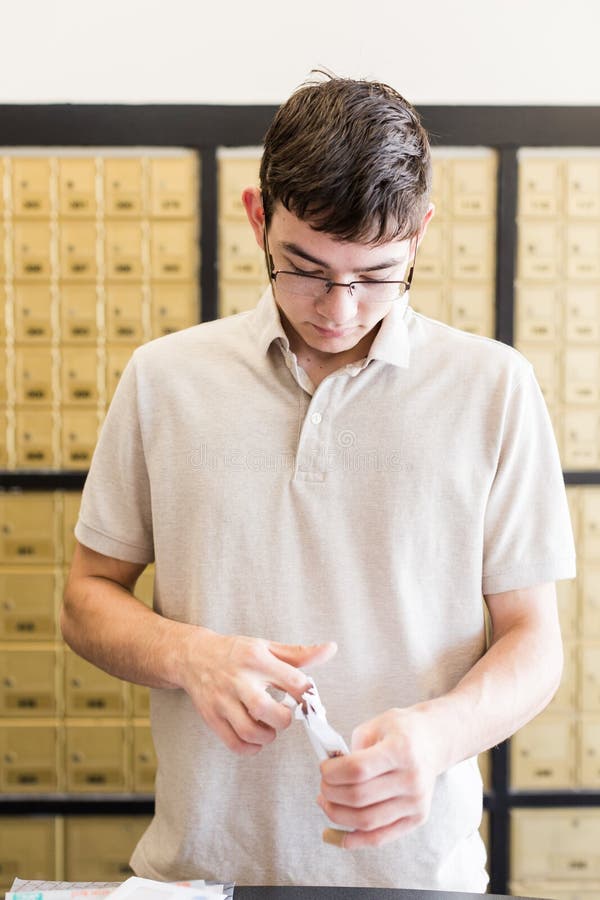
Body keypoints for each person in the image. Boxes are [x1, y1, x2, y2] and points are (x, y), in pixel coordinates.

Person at [61, 73, 576, 893]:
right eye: (304, 268)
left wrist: (438, 737)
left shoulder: (496, 388)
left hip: (418, 878)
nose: (338, 307)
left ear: (420, 236)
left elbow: (534, 641)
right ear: (258, 218)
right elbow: (86, 599)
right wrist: (188, 654)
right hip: (200, 873)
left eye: (376, 276)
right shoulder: (164, 379)